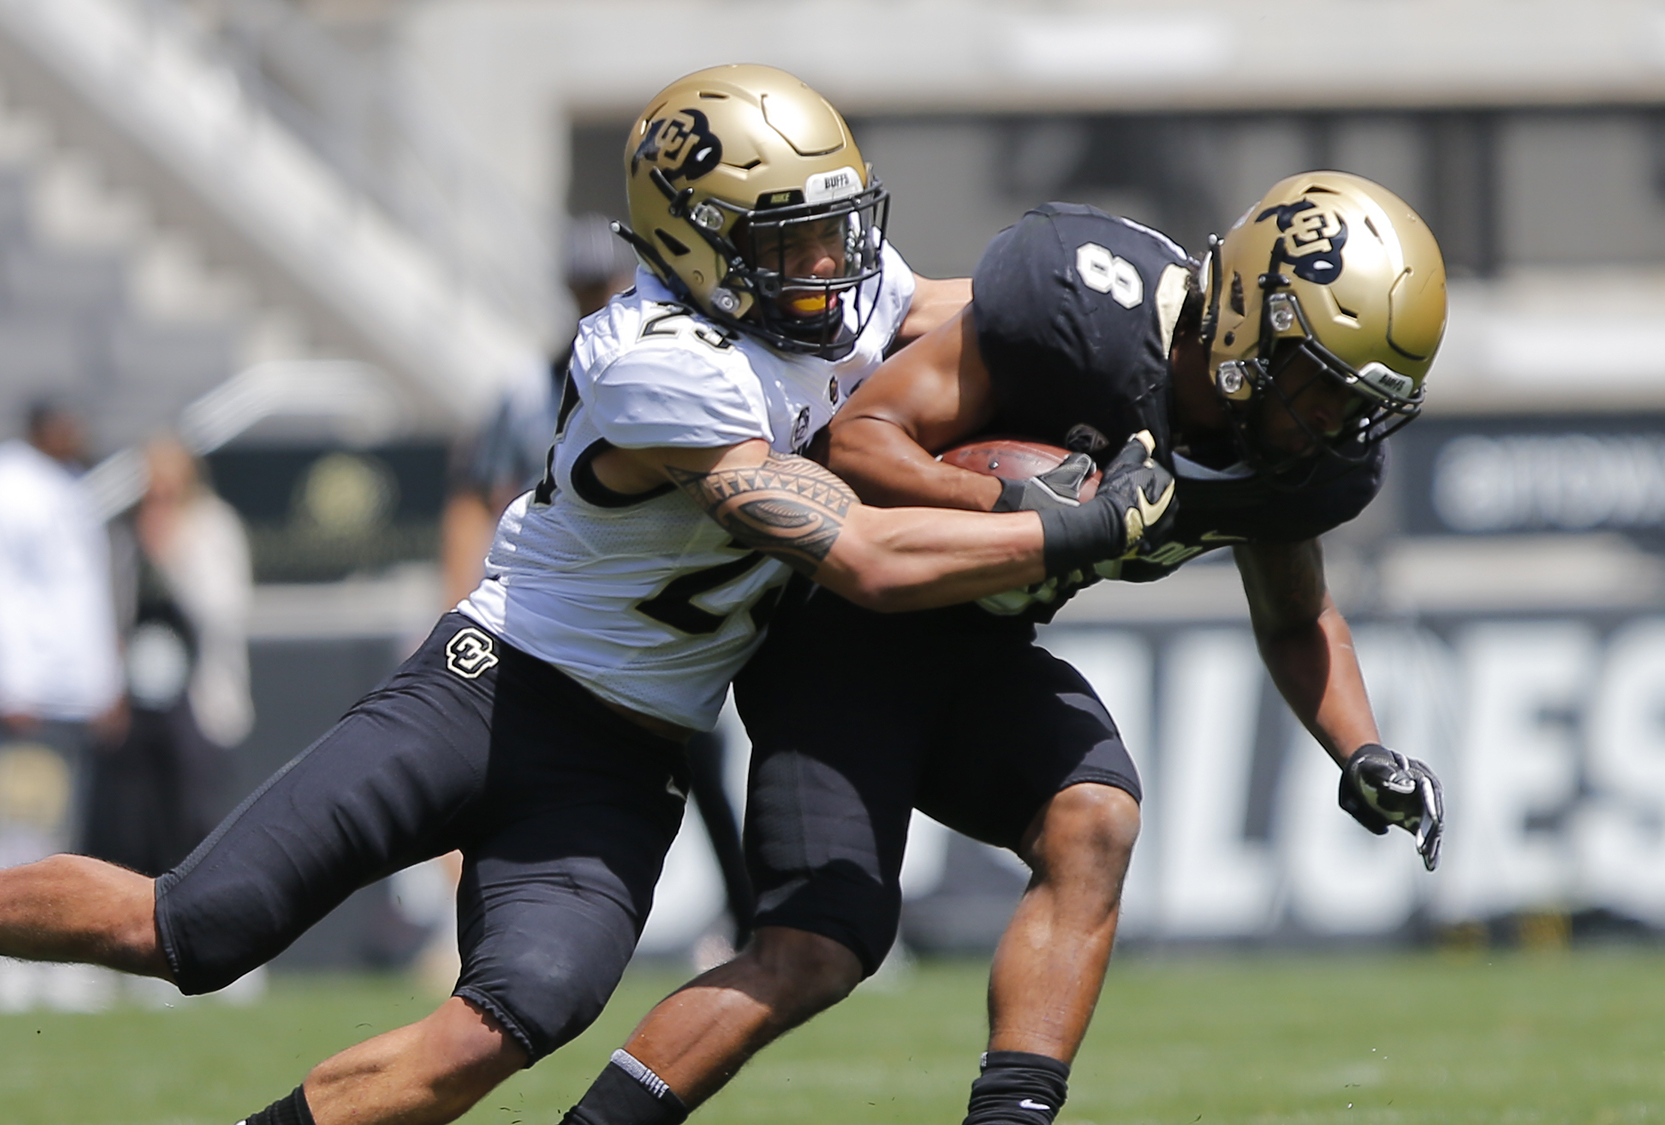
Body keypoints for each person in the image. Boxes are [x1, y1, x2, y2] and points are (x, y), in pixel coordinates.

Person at [0, 64, 1175, 1125]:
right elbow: (854, 554)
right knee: (196, 928)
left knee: (512, 1022)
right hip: (490, 690)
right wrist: (1073, 523)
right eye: (787, 239)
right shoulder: (655, 362)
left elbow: (981, 314)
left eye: (833, 227)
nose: (830, 265)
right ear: (691, 245)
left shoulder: (831, 295)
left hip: (631, 756)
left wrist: (1157, 370)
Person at [550, 171, 1449, 1125]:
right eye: (1319, 384)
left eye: (1358, 403)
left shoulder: (1293, 464)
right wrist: (1017, 506)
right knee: (817, 947)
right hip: (842, 629)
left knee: (1094, 816)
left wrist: (1361, 749)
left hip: (981, 642)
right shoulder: (1090, 313)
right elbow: (859, 440)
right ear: (1246, 317)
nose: (1332, 424)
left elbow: (1297, 615)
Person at [428, 212, 754, 985]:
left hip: (659, 616)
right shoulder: (526, 388)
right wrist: (460, 596)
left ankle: (757, 917)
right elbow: (475, 498)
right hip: (555, 615)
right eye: (581, 286)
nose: (593, 298)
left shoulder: (680, 368)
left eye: (601, 282)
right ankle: (492, 935)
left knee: (705, 773)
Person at [0, 397, 126, 1011]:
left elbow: (86, 595)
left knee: (64, 836)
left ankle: (62, 955)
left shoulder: (69, 486)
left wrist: (103, 682)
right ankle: (4, 960)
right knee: (10, 829)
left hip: (75, 693)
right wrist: (8, 679)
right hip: (26, 692)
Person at [88, 434, 255, 880]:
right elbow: (115, 614)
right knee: (137, 825)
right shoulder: (129, 531)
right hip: (141, 705)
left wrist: (174, 551)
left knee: (198, 819)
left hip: (196, 701)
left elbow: (223, 608)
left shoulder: (212, 527)